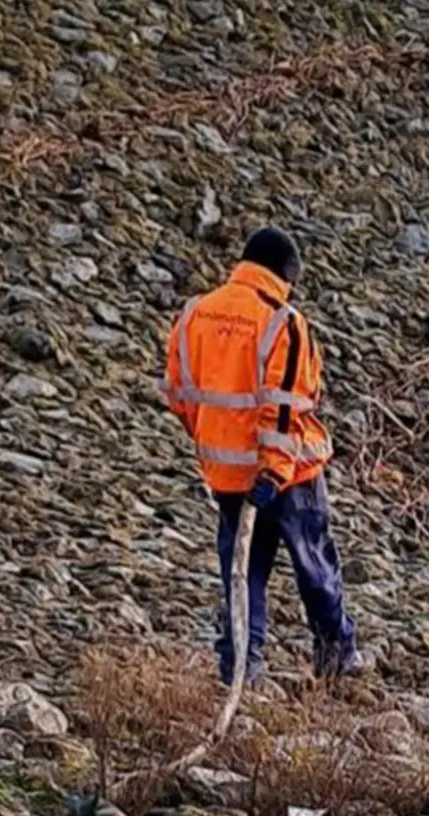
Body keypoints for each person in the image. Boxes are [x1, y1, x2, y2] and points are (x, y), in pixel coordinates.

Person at [159, 226, 364, 685]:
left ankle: (240, 668)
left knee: (242, 572)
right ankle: (336, 657)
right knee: (314, 566)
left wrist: (217, 445)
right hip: (289, 477)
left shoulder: (195, 314)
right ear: (284, 274)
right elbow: (284, 406)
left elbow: (179, 394)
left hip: (228, 476)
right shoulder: (281, 321)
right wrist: (273, 472)